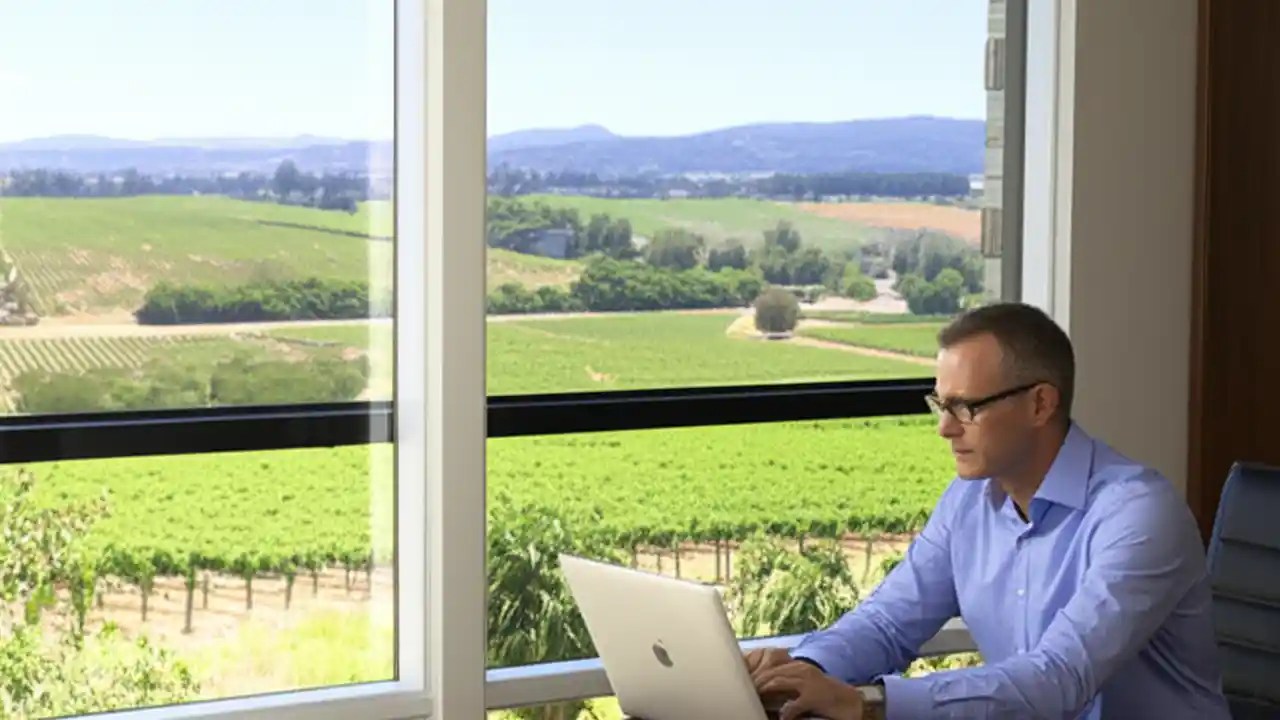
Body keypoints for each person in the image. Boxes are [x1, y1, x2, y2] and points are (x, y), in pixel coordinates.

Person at [745, 302, 1230, 720]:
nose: (944, 429)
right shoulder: (969, 500)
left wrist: (867, 704)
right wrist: (807, 670)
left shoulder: (1139, 514)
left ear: (1040, 404)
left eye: (965, 407)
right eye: (940, 403)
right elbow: (888, 623)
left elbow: (1057, 680)